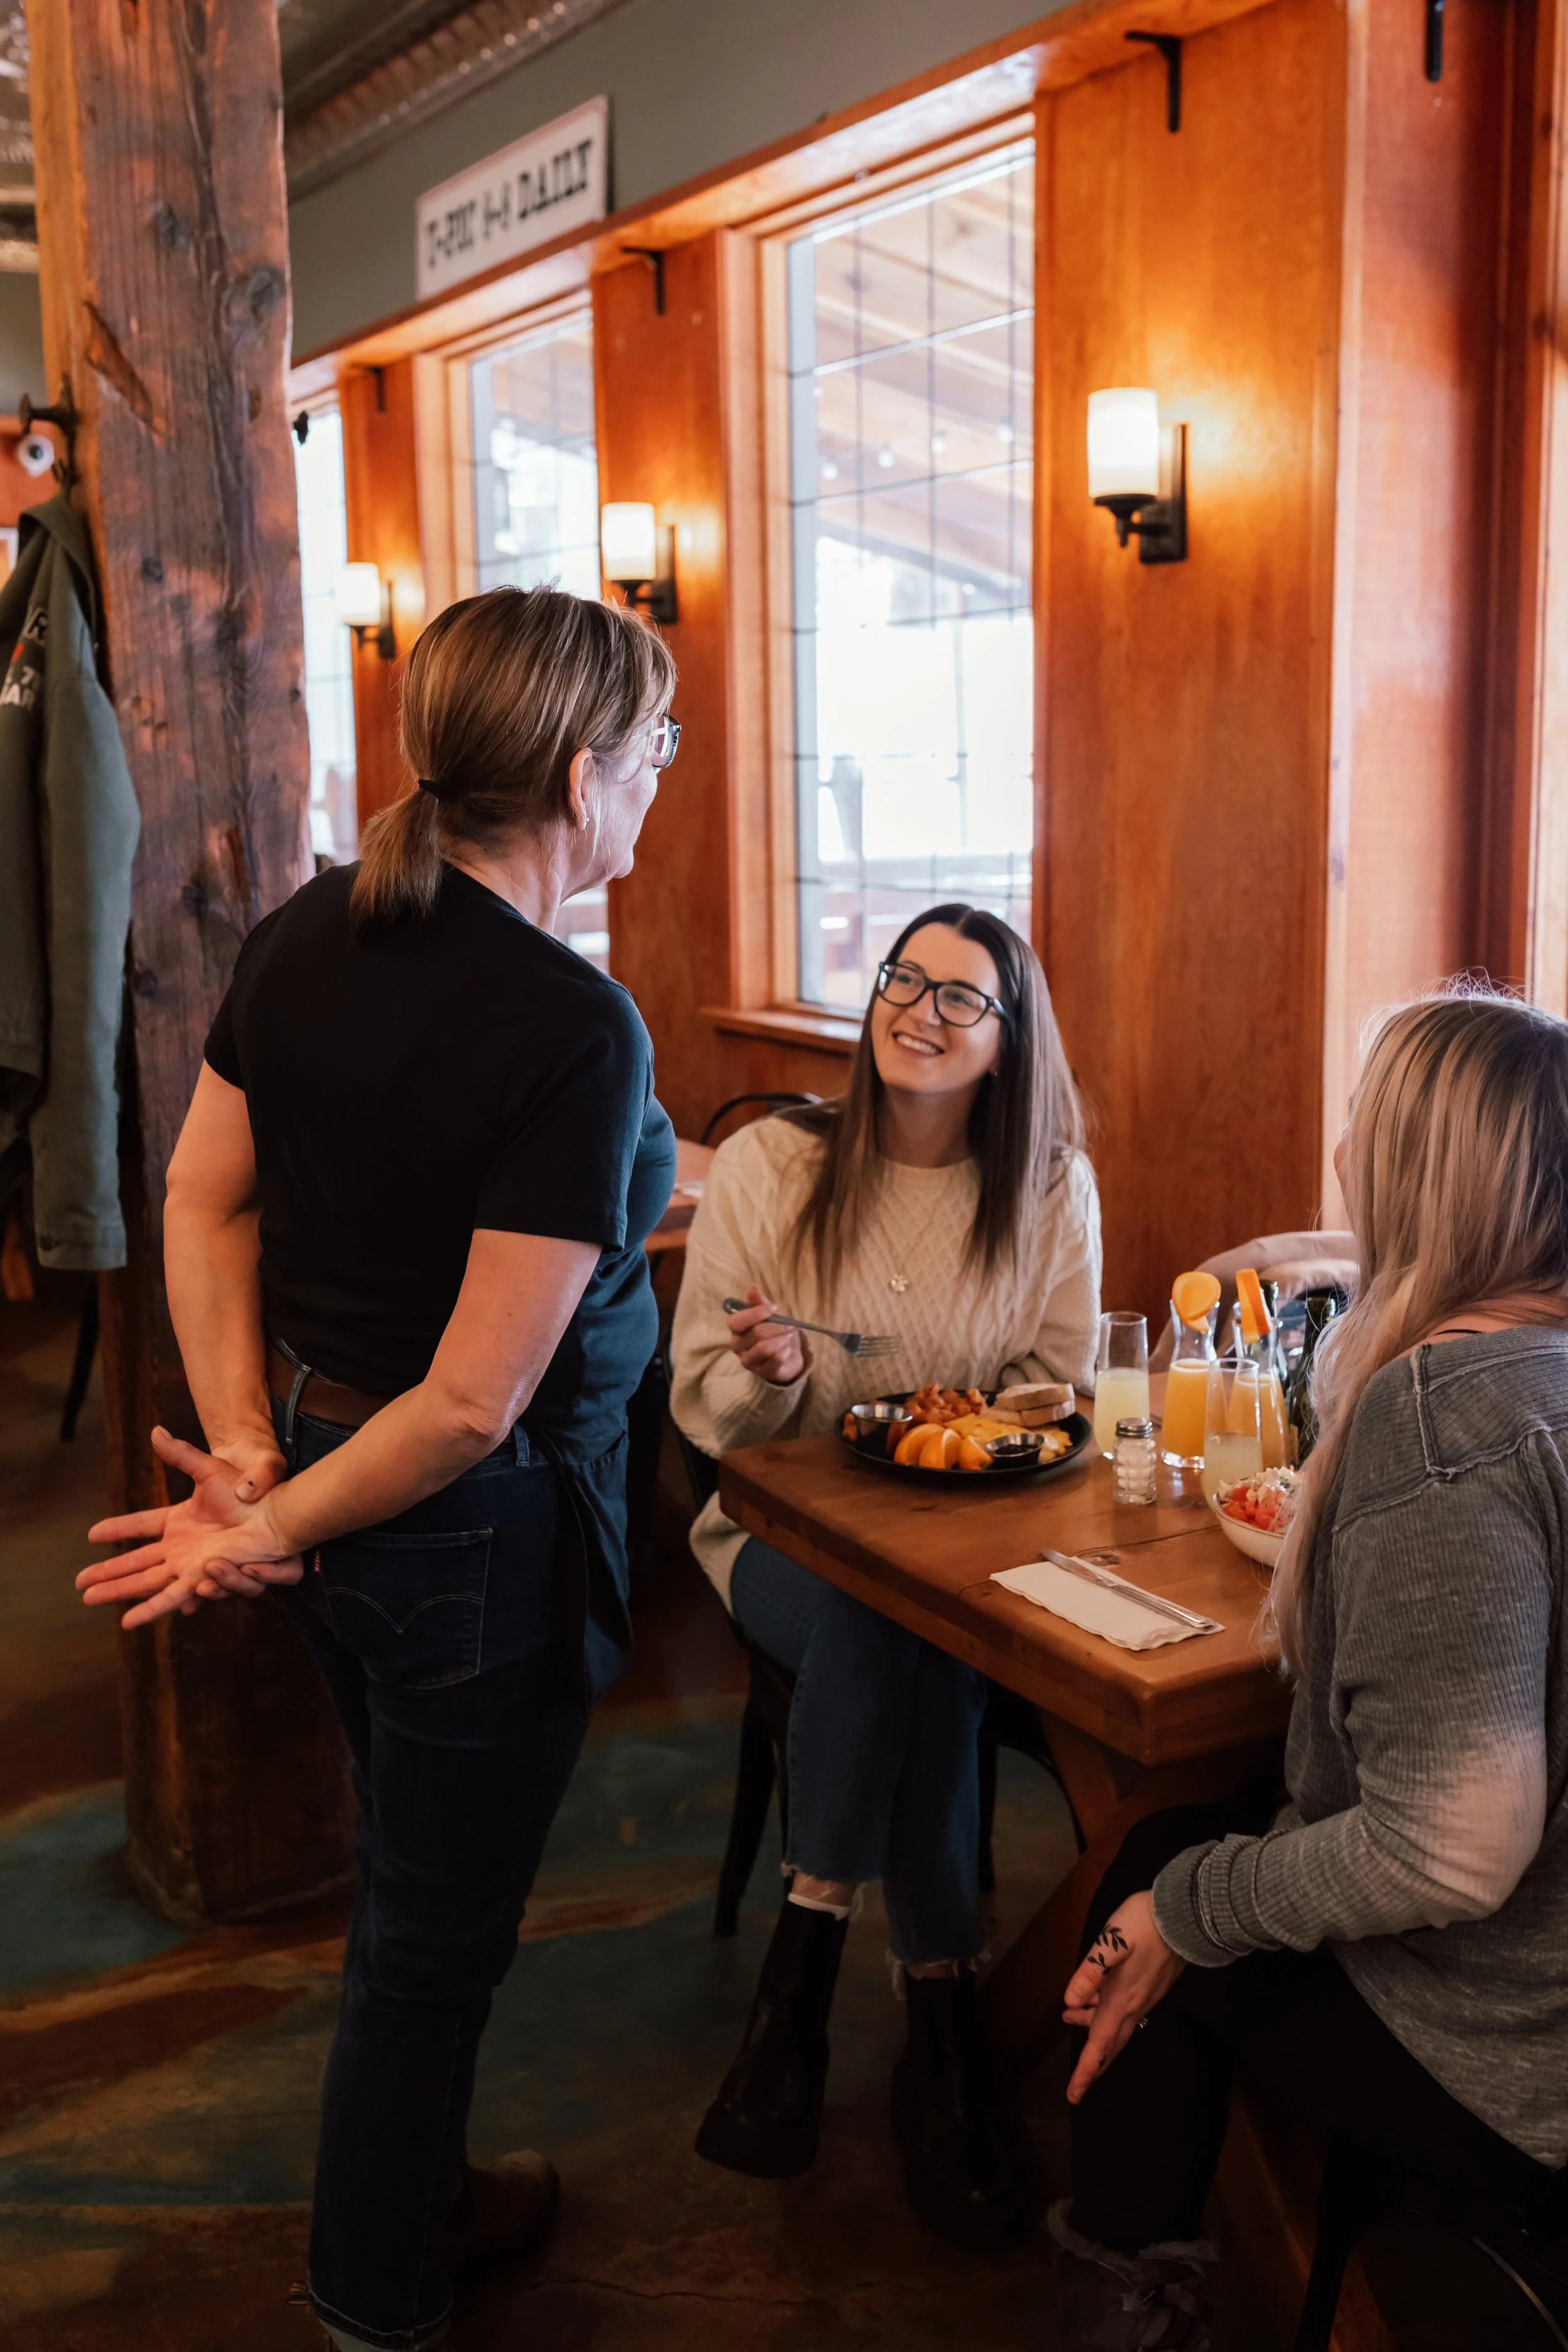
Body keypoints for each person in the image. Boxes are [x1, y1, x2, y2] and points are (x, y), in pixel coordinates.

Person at [77, 586, 679, 2352]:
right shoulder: (576, 1025)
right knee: (431, 1940)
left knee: (410, 1893)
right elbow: (475, 1404)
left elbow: (202, 1197)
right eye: (650, 753)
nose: (653, 781)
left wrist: (262, 1454)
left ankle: (409, 2194)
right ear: (581, 772)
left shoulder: (306, 930)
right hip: (461, 1526)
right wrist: (249, 1517)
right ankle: (375, 2297)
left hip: (345, 1479)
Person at [1051, 988, 1568, 2351]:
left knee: (1165, 1869)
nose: (1338, 1147)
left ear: (1405, 1168)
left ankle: (1129, 2295)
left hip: (1514, 2057)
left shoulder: (1435, 1423)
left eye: (1356, 1125)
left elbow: (1450, 1852)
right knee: (1180, 1840)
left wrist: (1191, 1913)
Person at [670, 905, 1101, 2250]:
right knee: (891, 1618)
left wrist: (982, 1439)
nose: (917, 1009)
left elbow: (1056, 1393)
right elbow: (698, 1407)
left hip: (962, 1547)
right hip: (777, 1537)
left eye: (958, 999)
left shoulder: (1044, 1187)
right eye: (901, 981)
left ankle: (801, 1990)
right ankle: (947, 2027)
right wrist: (767, 1374)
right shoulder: (766, 1168)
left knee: (913, 1624)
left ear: (1006, 1042)